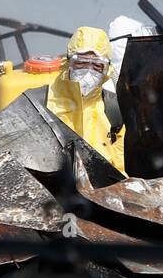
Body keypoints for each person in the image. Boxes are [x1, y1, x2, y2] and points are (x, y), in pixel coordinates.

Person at [47, 26, 126, 173]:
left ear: (107, 69)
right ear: (68, 62)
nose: (88, 72)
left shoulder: (113, 109)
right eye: (81, 63)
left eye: (97, 65)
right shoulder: (45, 101)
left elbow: (119, 168)